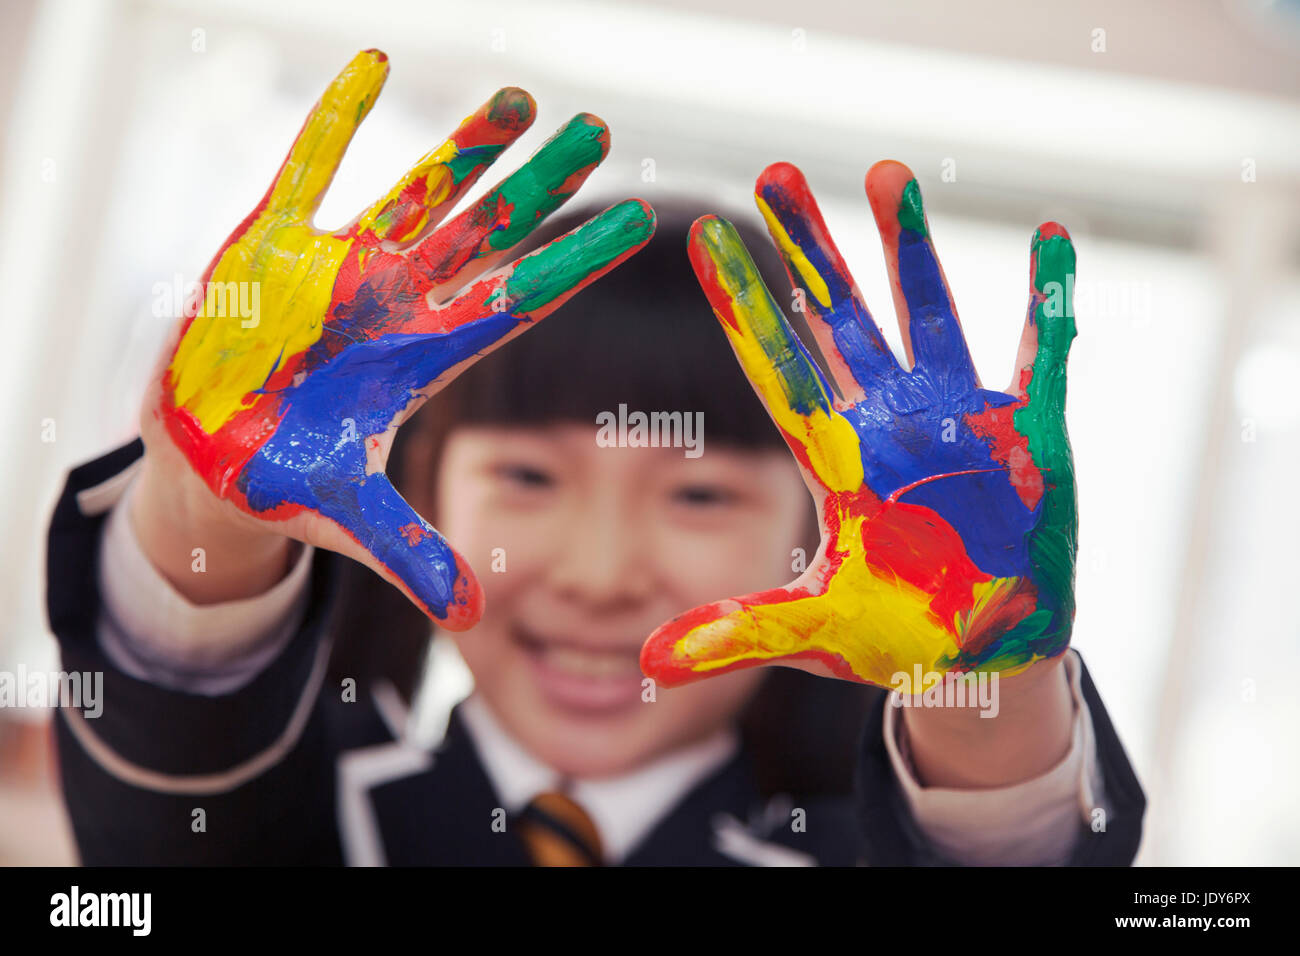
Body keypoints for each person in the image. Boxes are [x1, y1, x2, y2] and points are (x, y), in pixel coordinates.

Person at [46, 50, 1145, 866]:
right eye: (528, 477)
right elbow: (178, 728)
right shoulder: (285, 812)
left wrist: (976, 662)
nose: (599, 569)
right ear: (423, 483)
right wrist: (209, 511)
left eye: (700, 491)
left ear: (814, 534)